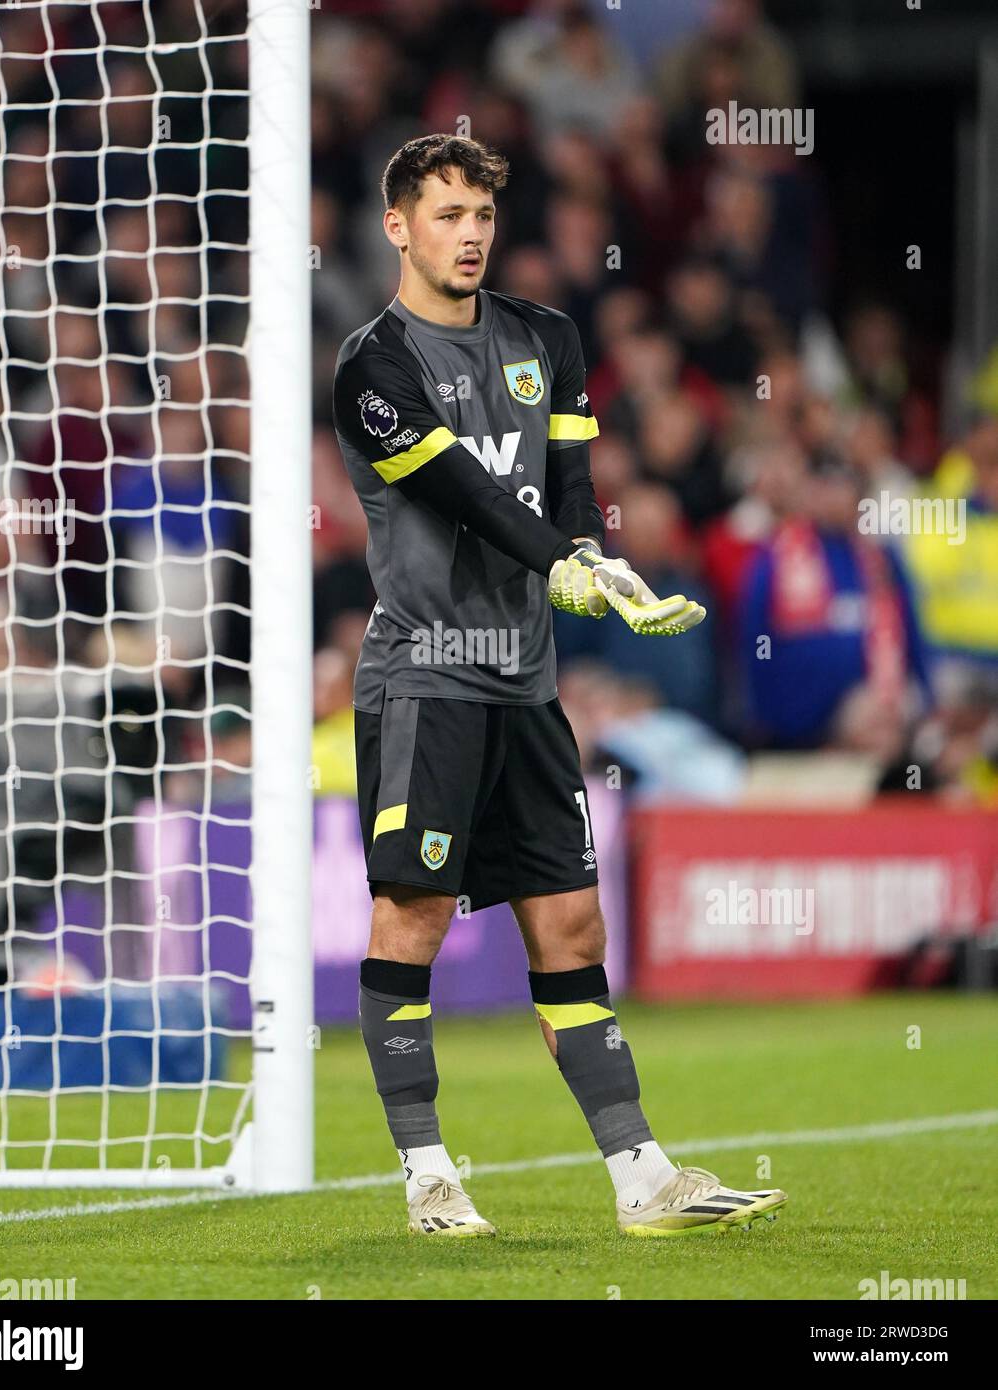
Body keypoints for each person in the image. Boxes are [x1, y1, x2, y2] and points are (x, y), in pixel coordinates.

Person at [331, 132, 786, 1238]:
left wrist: (602, 560)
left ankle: (643, 1178)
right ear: (398, 227)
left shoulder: (548, 338)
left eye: (482, 213)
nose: (470, 232)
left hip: (526, 688)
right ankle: (429, 1175)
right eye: (445, 214)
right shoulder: (372, 370)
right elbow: (463, 493)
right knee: (414, 912)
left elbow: (566, 487)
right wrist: (563, 564)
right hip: (426, 681)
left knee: (574, 928)